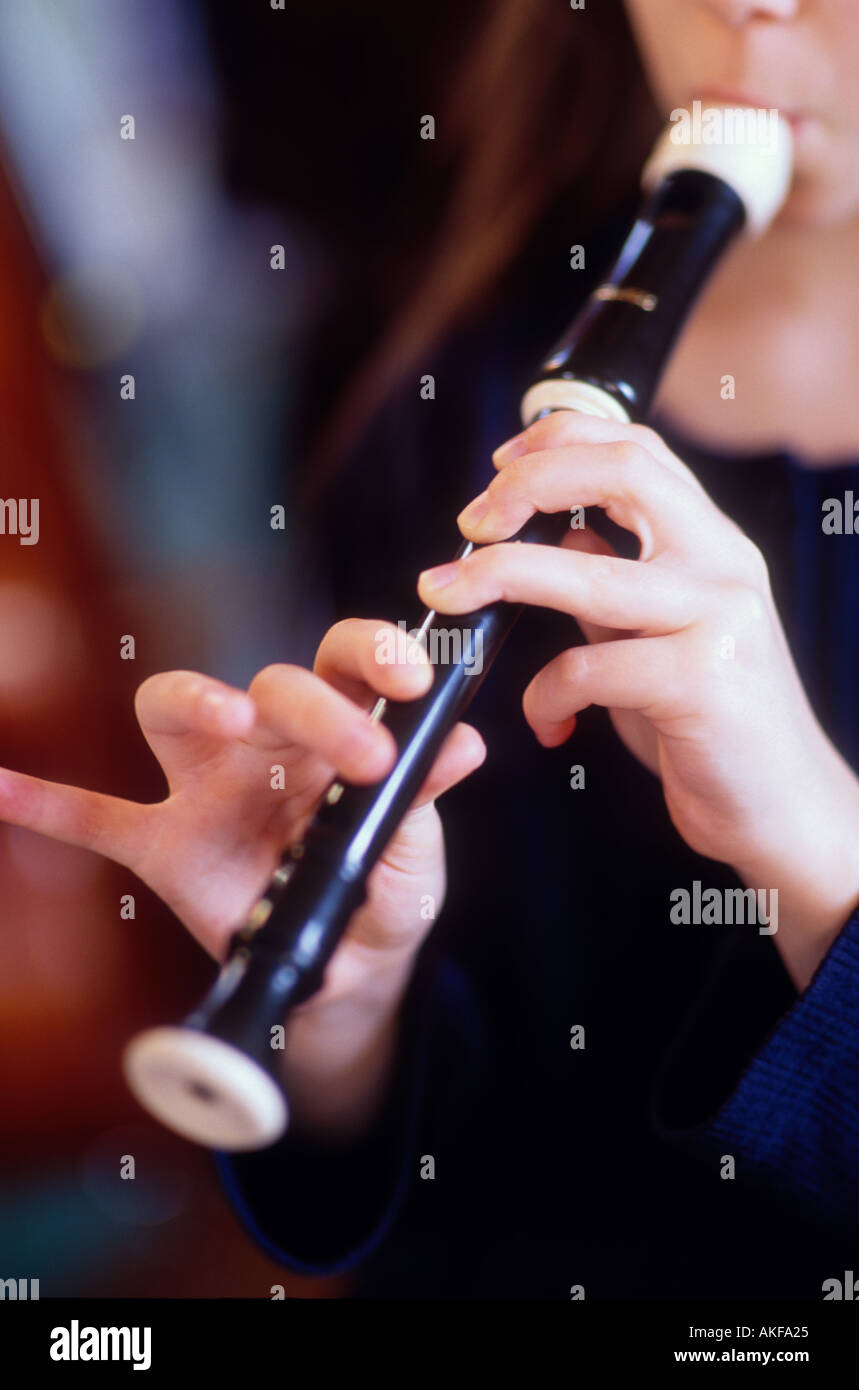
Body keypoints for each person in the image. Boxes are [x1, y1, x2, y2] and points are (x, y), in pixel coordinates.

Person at [3, 0, 859, 1297]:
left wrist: (819, 855)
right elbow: (471, 1135)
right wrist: (343, 1006)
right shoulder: (445, 358)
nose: (753, 4)